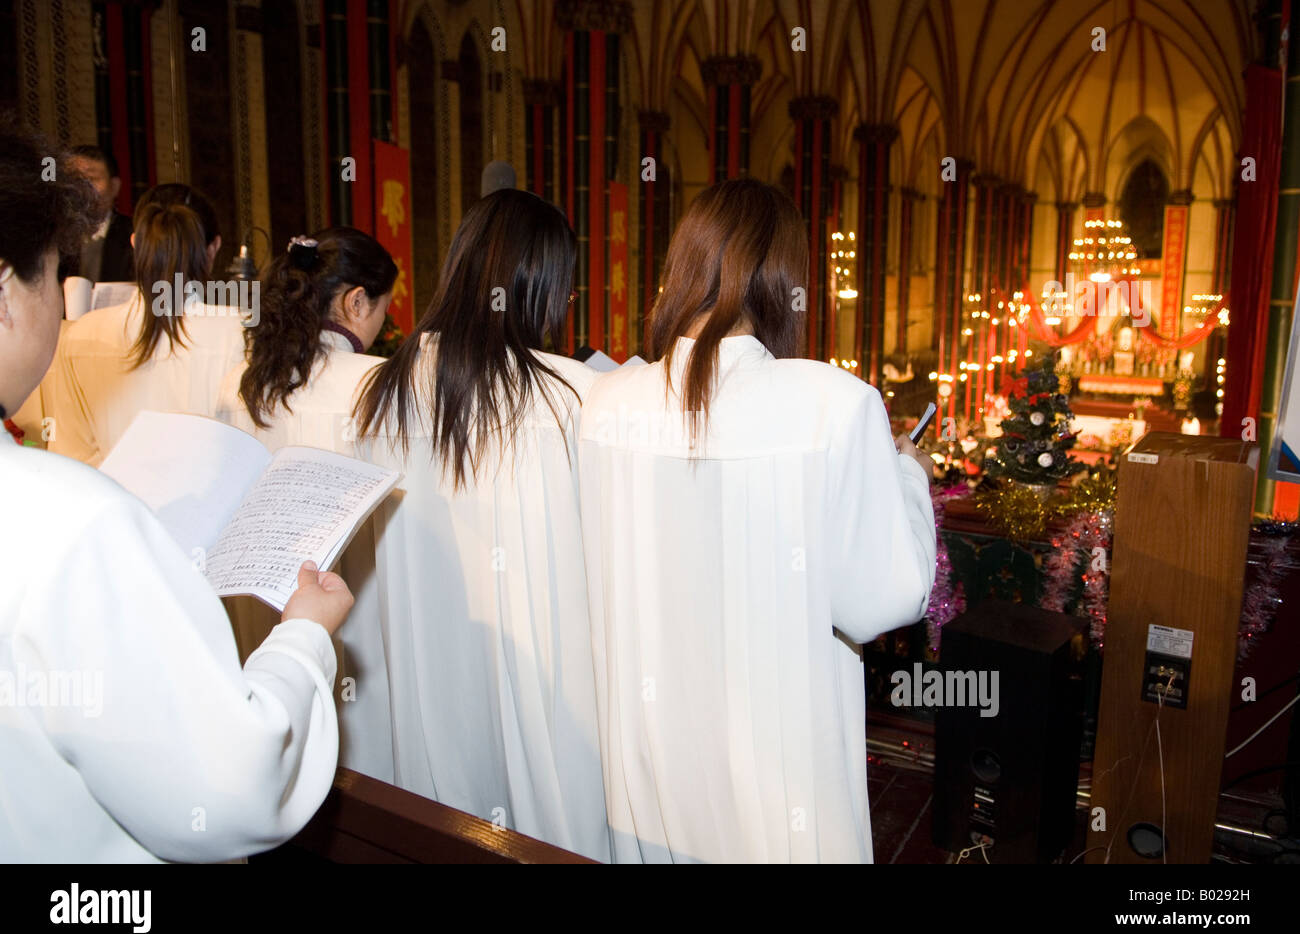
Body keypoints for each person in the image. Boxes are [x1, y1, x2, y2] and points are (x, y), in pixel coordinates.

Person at [0, 121, 353, 862]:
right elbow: (230, 785)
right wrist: (304, 637)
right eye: (51, 271)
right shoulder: (68, 527)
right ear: (5, 290)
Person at [577, 179, 937, 863]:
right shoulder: (835, 404)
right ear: (784, 281)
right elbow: (887, 597)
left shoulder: (607, 401)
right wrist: (908, 474)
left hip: (650, 767)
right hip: (777, 787)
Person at [353, 188, 610, 861]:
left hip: (426, 684)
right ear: (541, 288)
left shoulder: (385, 390)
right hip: (546, 697)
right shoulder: (573, 397)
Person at [216, 227, 396, 782]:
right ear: (356, 301)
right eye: (382, 311)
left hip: (256, 619)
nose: (384, 327)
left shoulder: (239, 384)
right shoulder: (377, 385)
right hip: (351, 606)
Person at [46, 182, 246, 465]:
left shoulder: (80, 335)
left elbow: (71, 458)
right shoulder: (241, 332)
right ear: (214, 248)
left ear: (135, 243)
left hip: (116, 503)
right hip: (214, 506)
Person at [64, 144, 134, 283]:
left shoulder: (133, 235)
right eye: (74, 179)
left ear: (114, 187)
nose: (81, 188)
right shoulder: (55, 237)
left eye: (91, 179)